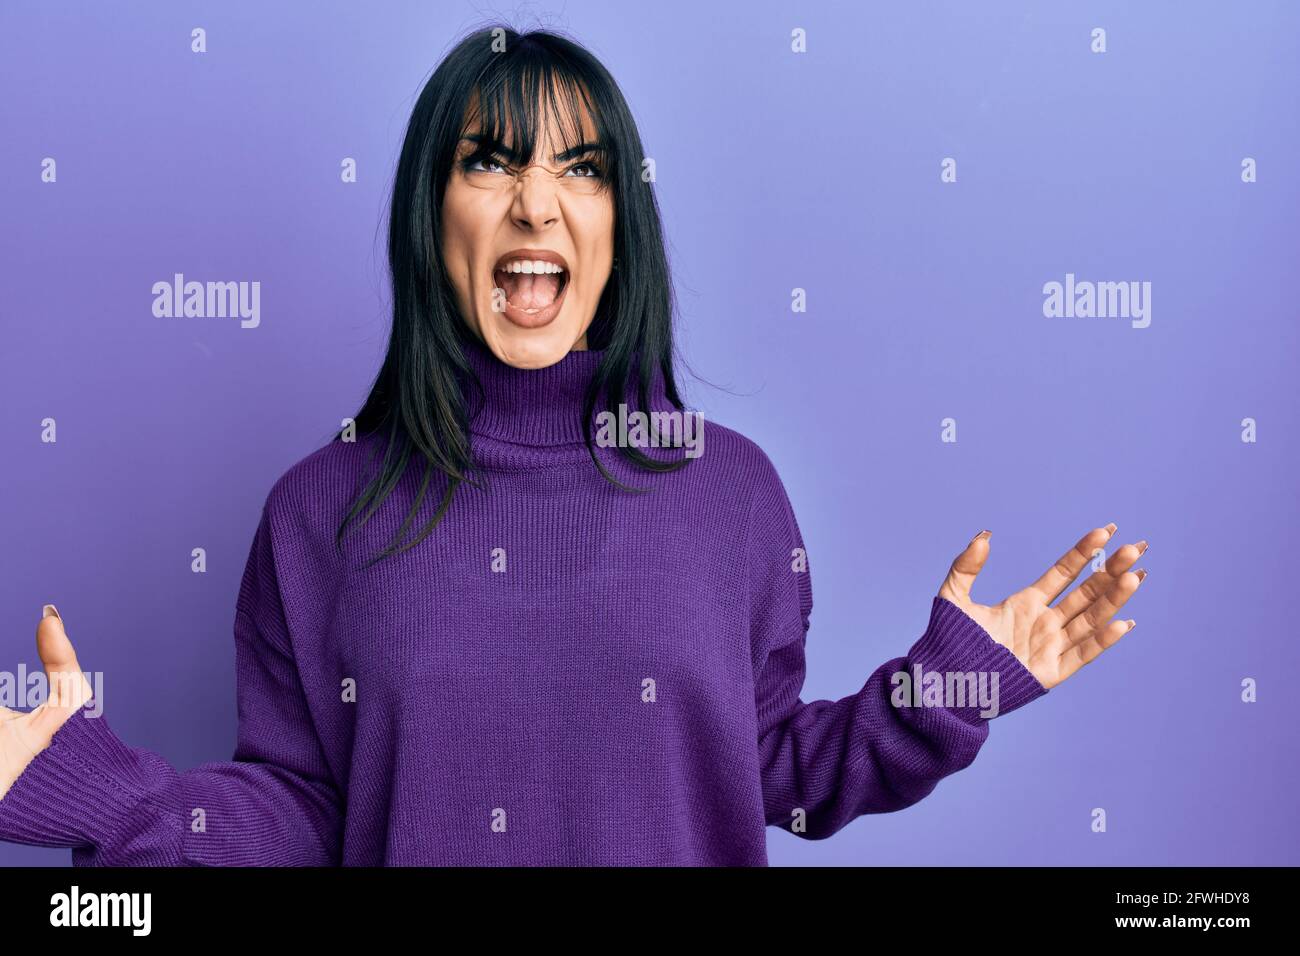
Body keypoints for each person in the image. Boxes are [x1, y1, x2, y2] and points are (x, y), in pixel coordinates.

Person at [0, 25, 1146, 866]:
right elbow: (307, 816)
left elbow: (766, 772)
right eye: (488, 160)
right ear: (429, 212)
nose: (536, 203)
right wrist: (113, 799)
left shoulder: (729, 490)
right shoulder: (320, 509)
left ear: (617, 225)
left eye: (581, 169)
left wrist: (946, 689)